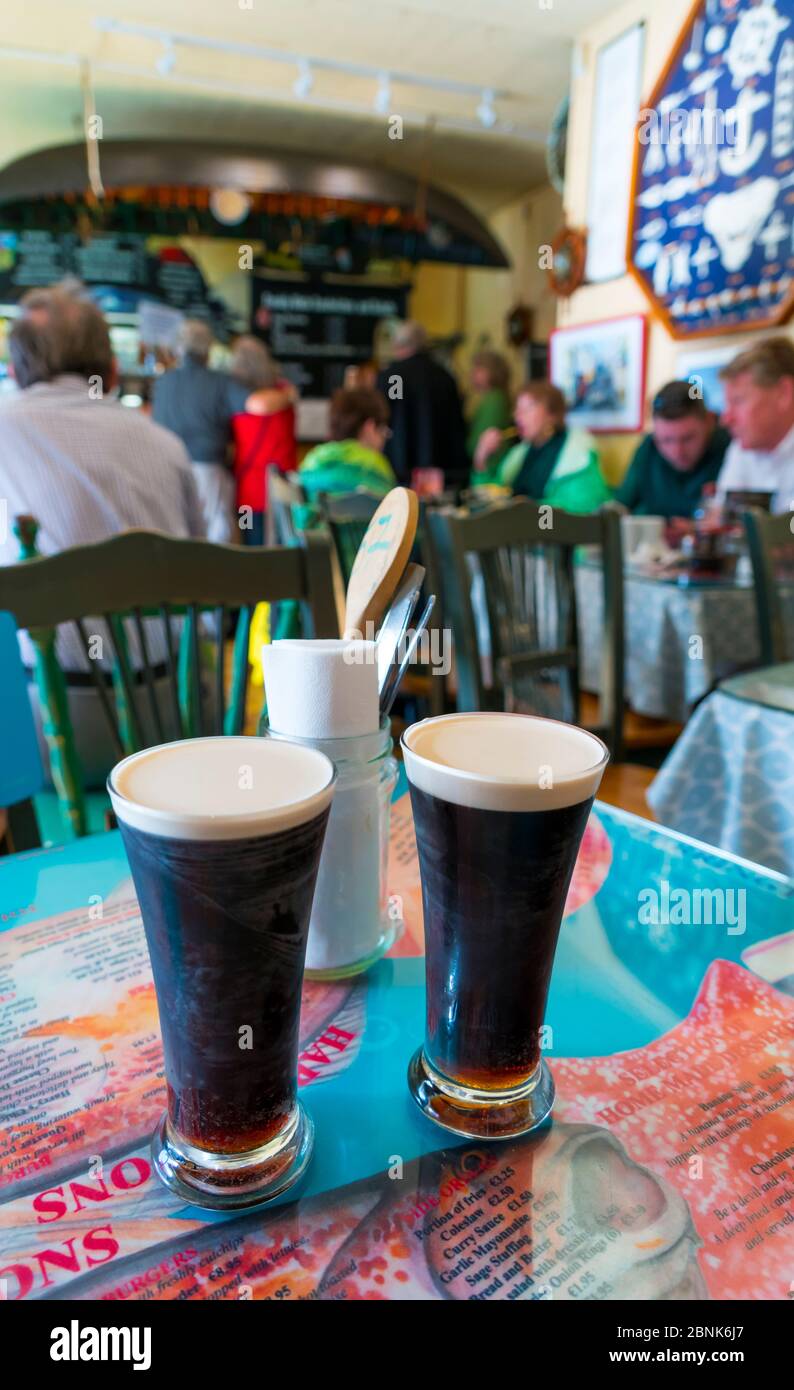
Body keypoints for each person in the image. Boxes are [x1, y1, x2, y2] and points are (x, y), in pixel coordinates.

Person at [0, 288, 205, 784]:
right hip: (171, 727)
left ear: (16, 369)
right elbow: (201, 572)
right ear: (110, 372)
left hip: (39, 736)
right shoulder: (168, 445)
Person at [151, 319, 259, 543]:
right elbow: (256, 404)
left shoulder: (162, 382)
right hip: (208, 470)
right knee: (217, 535)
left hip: (165, 468)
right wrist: (287, 395)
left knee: (174, 534)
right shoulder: (221, 381)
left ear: (179, 348)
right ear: (208, 349)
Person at [474, 380, 611, 513]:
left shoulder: (577, 451)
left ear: (552, 416)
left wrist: (523, 511)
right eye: (517, 410)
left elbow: (581, 507)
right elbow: (487, 504)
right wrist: (481, 458)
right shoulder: (519, 454)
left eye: (527, 409)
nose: (517, 416)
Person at [616, 381, 730, 518]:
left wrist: (694, 529)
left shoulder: (734, 448)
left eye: (688, 438)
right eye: (666, 440)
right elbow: (620, 507)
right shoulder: (648, 447)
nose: (677, 452)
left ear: (710, 421)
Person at [375, 321, 468, 488]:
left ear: (398, 346)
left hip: (399, 469)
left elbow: (386, 415)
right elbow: (456, 427)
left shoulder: (394, 376)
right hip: (440, 471)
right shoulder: (444, 377)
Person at [228, 336, 297, 546]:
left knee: (251, 550)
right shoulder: (285, 392)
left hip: (248, 494)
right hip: (283, 488)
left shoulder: (235, 398)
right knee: (284, 551)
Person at [716, 337, 794, 513]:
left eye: (738, 401)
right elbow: (723, 519)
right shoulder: (741, 448)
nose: (726, 419)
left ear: (784, 393)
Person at [298, 387, 396, 500]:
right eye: (383, 431)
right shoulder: (375, 465)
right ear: (370, 427)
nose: (383, 439)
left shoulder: (313, 460)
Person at [466, 348, 513, 476]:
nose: (472, 373)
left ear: (493, 372)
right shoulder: (492, 397)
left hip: (490, 466)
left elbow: (480, 438)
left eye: (479, 369)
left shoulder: (494, 399)